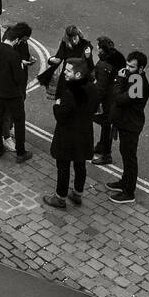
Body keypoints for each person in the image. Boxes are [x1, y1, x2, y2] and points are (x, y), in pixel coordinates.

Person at [42, 59, 97, 209]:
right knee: (80, 165)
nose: (64, 73)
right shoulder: (92, 88)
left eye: (68, 71)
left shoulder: (69, 94)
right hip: (84, 134)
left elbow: (61, 116)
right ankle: (77, 194)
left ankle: (60, 198)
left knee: (63, 166)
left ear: (78, 74)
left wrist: (57, 105)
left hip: (67, 136)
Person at [0, 24, 31, 162]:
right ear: (15, 40)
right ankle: (20, 153)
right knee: (19, 121)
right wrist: (21, 66)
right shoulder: (13, 55)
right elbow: (19, 78)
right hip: (12, 95)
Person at [106, 50, 149, 204]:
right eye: (126, 65)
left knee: (130, 159)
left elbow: (119, 99)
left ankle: (129, 192)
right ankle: (124, 182)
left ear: (141, 69)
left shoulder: (138, 82)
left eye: (131, 67)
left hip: (131, 126)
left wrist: (119, 79)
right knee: (125, 155)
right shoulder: (133, 77)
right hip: (125, 122)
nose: (127, 69)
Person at [92, 35, 126, 165]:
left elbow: (101, 87)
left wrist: (93, 103)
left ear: (101, 49)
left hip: (108, 100)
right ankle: (101, 146)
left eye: (98, 47)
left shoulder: (104, 65)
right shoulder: (117, 57)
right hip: (115, 96)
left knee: (105, 124)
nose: (96, 49)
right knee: (106, 125)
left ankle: (106, 155)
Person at [38, 24, 94, 98]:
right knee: (63, 97)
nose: (74, 41)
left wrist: (88, 57)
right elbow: (58, 59)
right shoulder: (65, 43)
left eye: (75, 37)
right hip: (68, 74)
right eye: (72, 39)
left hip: (78, 75)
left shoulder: (86, 44)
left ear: (78, 34)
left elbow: (90, 63)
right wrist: (51, 60)